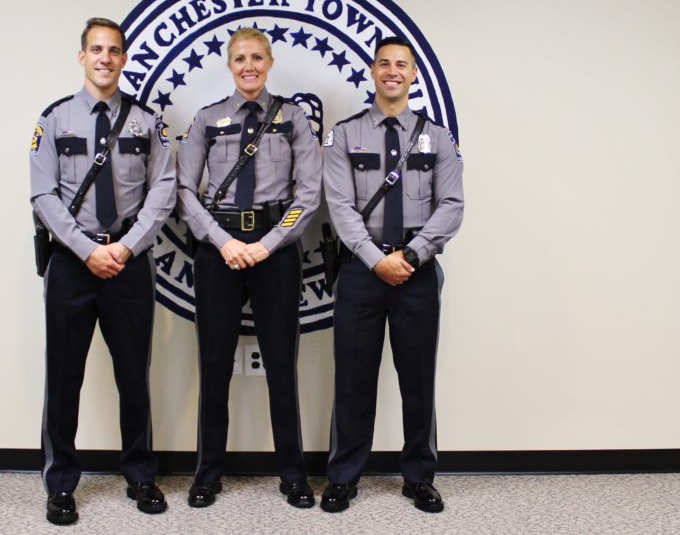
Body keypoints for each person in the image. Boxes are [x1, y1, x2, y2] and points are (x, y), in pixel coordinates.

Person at [29, 17, 176, 526]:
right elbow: (43, 194)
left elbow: (163, 190)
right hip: (72, 264)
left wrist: (127, 248)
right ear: (81, 56)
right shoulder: (54, 120)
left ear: (124, 57)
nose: (105, 58)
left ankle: (140, 475)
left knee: (133, 375)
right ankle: (61, 484)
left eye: (114, 50)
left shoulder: (146, 122)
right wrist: (85, 250)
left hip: (129, 264)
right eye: (96, 49)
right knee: (63, 378)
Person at [176, 27, 322, 509]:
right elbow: (184, 192)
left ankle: (294, 475)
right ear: (229, 64)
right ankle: (207, 473)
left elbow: (308, 195)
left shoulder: (294, 119)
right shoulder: (207, 119)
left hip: (274, 253)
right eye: (240, 58)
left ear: (271, 62)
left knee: (282, 366)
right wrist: (222, 242)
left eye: (258, 57)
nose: (249, 66)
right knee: (214, 366)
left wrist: (268, 243)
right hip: (219, 253)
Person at [320, 36, 464, 514]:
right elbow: (339, 206)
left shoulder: (437, 138)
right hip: (361, 271)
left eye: (402, 64)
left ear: (414, 74)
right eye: (384, 63)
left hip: (417, 271)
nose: (393, 71)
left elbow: (452, 206)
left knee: (418, 381)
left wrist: (414, 254)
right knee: (353, 381)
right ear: (373, 70)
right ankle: (343, 477)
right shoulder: (345, 135)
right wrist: (374, 258)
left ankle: (419, 477)